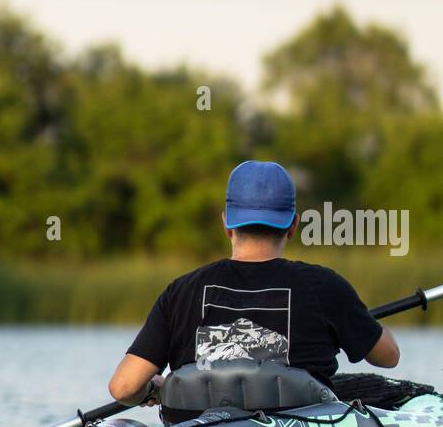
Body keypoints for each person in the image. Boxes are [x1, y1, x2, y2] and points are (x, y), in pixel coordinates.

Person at [108, 160, 399, 406]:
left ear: (226, 224)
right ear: (293, 225)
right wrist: (356, 317)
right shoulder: (326, 286)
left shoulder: (181, 291)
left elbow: (123, 388)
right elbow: (388, 356)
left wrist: (156, 389)